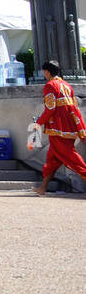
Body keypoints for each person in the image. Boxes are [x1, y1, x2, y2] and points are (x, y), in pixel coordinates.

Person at [32, 60, 86, 195]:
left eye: (44, 72)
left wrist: (38, 123)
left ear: (47, 72)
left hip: (58, 128)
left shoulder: (50, 85)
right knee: (52, 160)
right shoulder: (67, 85)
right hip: (69, 126)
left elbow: (50, 108)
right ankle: (43, 188)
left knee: (72, 159)